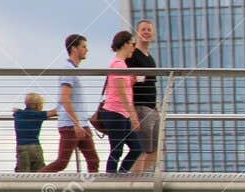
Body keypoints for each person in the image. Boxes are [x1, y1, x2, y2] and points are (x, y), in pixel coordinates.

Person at [43, 34, 100, 174]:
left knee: (93, 161)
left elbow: (64, 101)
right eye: (84, 46)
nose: (87, 50)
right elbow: (65, 98)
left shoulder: (73, 69)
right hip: (71, 126)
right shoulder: (68, 70)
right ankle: (32, 183)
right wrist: (76, 123)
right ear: (74, 49)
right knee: (62, 162)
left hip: (81, 125)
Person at [99, 29, 143, 174]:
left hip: (121, 114)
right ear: (125, 44)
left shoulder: (121, 65)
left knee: (136, 147)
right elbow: (122, 93)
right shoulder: (118, 64)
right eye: (132, 44)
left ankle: (120, 176)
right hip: (114, 113)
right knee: (117, 149)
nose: (134, 47)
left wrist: (131, 79)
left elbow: (120, 87)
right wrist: (133, 115)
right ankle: (111, 180)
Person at [126, 18, 160, 173]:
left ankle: (136, 175)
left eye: (149, 30)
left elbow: (151, 83)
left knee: (156, 149)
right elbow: (127, 80)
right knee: (143, 149)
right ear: (137, 33)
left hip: (152, 108)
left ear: (153, 34)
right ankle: (134, 179)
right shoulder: (132, 55)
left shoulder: (150, 58)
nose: (146, 32)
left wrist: (157, 106)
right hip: (139, 107)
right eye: (143, 29)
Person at [12, 93, 57, 172]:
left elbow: (16, 111)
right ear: (38, 105)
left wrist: (17, 110)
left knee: (23, 174)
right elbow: (55, 112)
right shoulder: (39, 114)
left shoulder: (18, 114)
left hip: (21, 147)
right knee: (39, 173)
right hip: (35, 147)